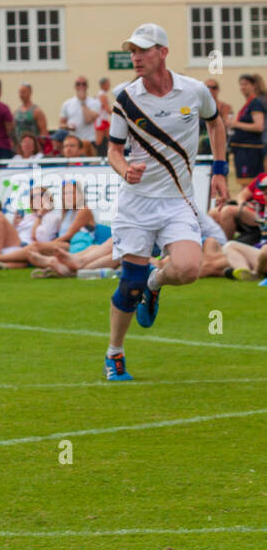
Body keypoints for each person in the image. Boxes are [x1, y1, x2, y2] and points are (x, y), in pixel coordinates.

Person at [101, 23, 227, 382]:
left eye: (143, 50)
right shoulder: (126, 97)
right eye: (132, 51)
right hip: (137, 203)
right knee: (130, 284)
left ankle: (156, 284)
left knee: (189, 269)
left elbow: (216, 124)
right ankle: (115, 353)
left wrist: (219, 169)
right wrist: (125, 170)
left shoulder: (195, 90)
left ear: (163, 52)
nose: (135, 57)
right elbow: (112, 150)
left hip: (177, 200)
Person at [227, 74, 266, 187]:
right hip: (242, 151)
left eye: (246, 84)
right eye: (241, 84)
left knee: (252, 185)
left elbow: (259, 126)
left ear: (253, 86)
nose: (243, 87)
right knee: (245, 185)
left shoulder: (256, 104)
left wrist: (236, 124)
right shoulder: (248, 104)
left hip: (250, 152)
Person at [59, 76, 99, 155]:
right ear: (75, 86)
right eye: (78, 84)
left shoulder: (94, 102)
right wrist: (68, 127)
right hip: (73, 142)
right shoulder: (67, 103)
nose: (81, 86)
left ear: (87, 86)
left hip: (89, 141)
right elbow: (61, 124)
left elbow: (88, 120)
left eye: (83, 84)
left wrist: (83, 102)